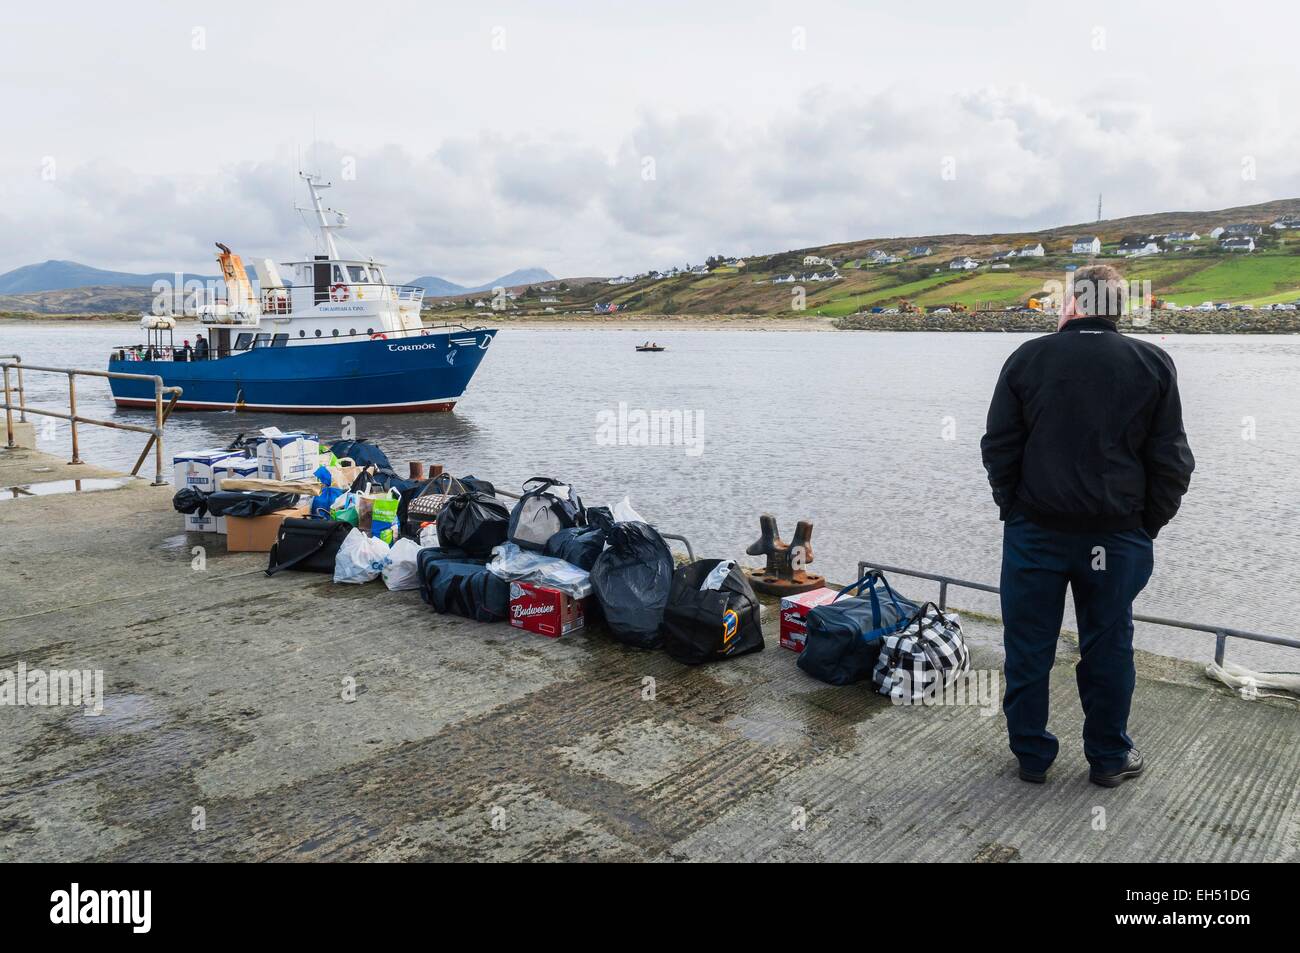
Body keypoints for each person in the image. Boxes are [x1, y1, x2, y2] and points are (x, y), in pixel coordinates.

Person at [980, 264, 1195, 788]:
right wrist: (1145, 526)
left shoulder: (1027, 358)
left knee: (1029, 646)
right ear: (1120, 306)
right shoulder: (1152, 362)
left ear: (1072, 305)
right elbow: (1172, 462)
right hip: (1117, 537)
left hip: (1035, 534)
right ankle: (1107, 758)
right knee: (1107, 645)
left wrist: (1014, 510)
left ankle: (1032, 756)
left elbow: (999, 447)